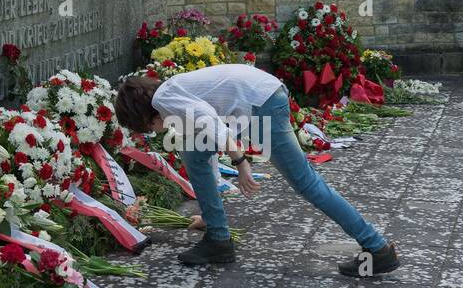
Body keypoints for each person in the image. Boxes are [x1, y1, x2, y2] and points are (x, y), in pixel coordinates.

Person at [113, 64, 399, 276]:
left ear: (143, 114)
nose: (153, 130)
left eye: (147, 127)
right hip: (258, 96)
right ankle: (218, 238)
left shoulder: (165, 100)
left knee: (306, 183)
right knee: (194, 154)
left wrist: (240, 162)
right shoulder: (169, 94)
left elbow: (210, 120)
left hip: (262, 103)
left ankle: (377, 248)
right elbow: (207, 141)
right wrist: (211, 212)